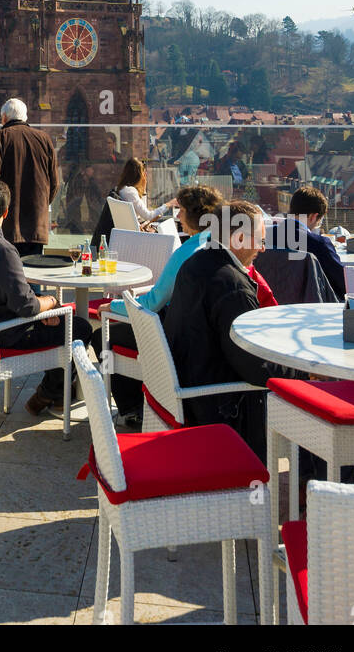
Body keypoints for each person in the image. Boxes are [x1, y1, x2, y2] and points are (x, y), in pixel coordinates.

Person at [163, 200, 297, 461]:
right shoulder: (232, 286)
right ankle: (323, 488)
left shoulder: (196, 264)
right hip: (223, 409)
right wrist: (304, 374)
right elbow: (255, 369)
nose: (263, 248)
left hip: (189, 391)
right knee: (315, 410)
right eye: (259, 240)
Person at [0, 177, 93, 416]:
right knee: (78, 326)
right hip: (4, 335)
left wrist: (42, 312)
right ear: (6, 212)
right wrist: (51, 303)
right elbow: (26, 306)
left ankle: (52, 394)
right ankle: (51, 393)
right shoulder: (4, 250)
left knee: (58, 320)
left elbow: (14, 300)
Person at [94, 184, 224, 420]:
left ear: (192, 215)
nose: (178, 216)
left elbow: (153, 302)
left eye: (181, 211)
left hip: (173, 338)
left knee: (102, 337)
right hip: (205, 339)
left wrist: (113, 306)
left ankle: (133, 407)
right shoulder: (218, 245)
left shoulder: (187, 252)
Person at [0, 98, 59, 260]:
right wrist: (41, 205)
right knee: (33, 275)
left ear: (3, 118)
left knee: (5, 275)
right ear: (25, 118)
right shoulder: (44, 140)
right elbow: (54, 184)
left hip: (6, 225)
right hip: (36, 225)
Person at [264, 185, 345, 300]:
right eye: (319, 220)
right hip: (310, 307)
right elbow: (343, 282)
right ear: (313, 217)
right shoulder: (320, 244)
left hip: (271, 305)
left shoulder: (265, 236)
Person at [111, 157, 177, 227]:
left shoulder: (123, 189)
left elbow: (143, 214)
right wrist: (168, 204)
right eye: (144, 173)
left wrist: (143, 187)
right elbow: (148, 216)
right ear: (139, 175)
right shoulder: (130, 192)